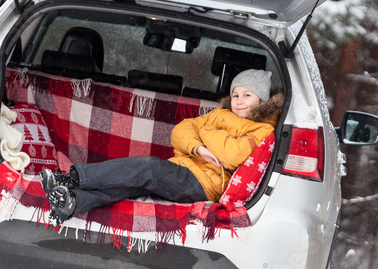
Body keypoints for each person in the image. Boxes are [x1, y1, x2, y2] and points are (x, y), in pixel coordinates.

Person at [40, 69, 284, 224]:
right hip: (183, 168)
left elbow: (231, 155)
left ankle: (69, 180)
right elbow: (179, 131)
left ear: (261, 100)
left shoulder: (262, 129)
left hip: (206, 183)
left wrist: (206, 131)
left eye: (247, 95)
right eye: (236, 95)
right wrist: (198, 149)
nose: (239, 101)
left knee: (148, 168)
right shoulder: (220, 113)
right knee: (130, 184)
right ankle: (73, 202)